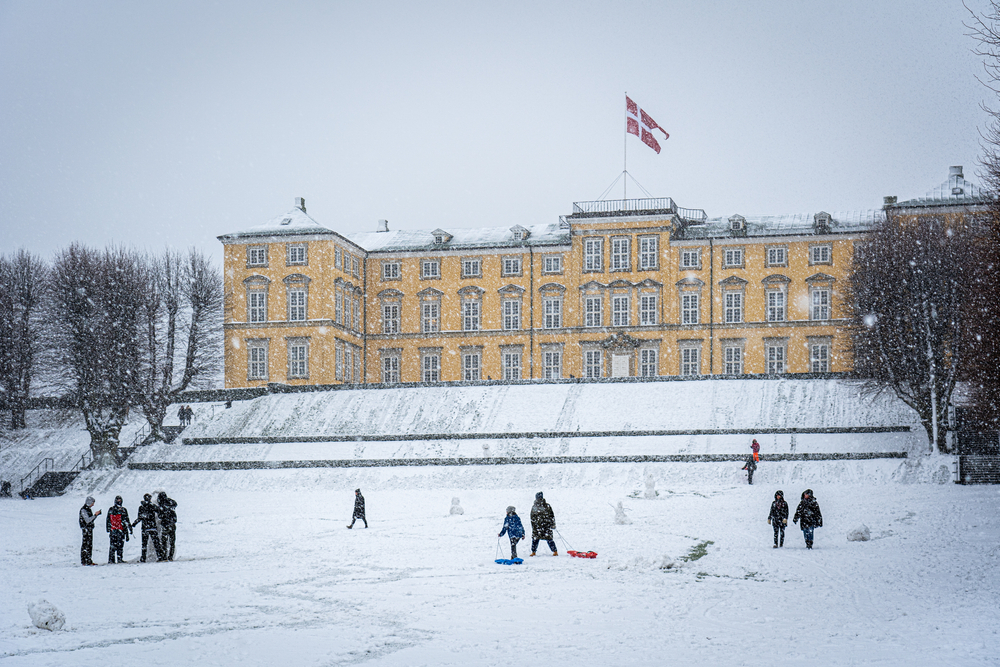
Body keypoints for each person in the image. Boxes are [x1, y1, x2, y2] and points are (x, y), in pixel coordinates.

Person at [132, 493, 164, 562]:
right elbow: (159, 511)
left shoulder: (141, 507)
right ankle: (160, 556)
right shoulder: (152, 506)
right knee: (156, 543)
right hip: (152, 527)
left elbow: (139, 517)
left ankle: (143, 558)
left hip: (145, 528)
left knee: (144, 544)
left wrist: (134, 523)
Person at [529, 492, 557, 556]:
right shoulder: (544, 506)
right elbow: (551, 516)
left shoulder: (539, 506)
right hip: (543, 526)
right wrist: (552, 524)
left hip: (541, 526)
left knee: (537, 539)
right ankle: (554, 551)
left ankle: (533, 552)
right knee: (547, 539)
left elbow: (532, 518)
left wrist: (533, 526)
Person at [106, 496, 132, 563]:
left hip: (115, 530)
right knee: (118, 546)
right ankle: (117, 559)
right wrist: (129, 529)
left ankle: (112, 559)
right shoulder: (123, 510)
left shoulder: (112, 509)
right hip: (118, 530)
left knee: (115, 546)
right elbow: (126, 521)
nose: (119, 502)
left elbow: (108, 520)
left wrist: (108, 528)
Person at [79, 496, 101, 565]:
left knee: (89, 545)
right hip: (86, 529)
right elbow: (88, 520)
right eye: (92, 503)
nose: (93, 505)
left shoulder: (87, 509)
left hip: (88, 529)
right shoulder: (84, 510)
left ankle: (87, 560)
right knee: (86, 545)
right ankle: (85, 560)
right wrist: (95, 515)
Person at [157, 492, 178, 560]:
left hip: (165, 525)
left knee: (164, 542)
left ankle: (164, 556)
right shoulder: (171, 504)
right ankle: (171, 556)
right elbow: (175, 504)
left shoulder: (161, 506)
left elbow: (160, 516)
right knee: (172, 542)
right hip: (172, 524)